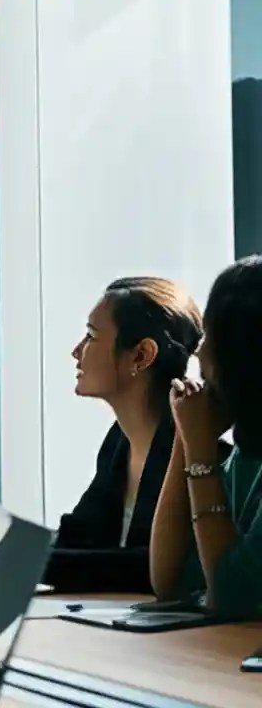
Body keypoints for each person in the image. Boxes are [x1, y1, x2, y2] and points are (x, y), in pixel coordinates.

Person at [0, 277, 227, 592]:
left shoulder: (194, 448)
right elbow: (84, 535)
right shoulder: (119, 441)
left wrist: (21, 559)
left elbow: (149, 567)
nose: (76, 352)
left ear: (141, 355)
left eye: (90, 336)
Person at [151, 256, 262, 618]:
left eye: (211, 334)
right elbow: (168, 583)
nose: (198, 349)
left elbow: (231, 597)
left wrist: (199, 449)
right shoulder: (244, 458)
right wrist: (186, 439)